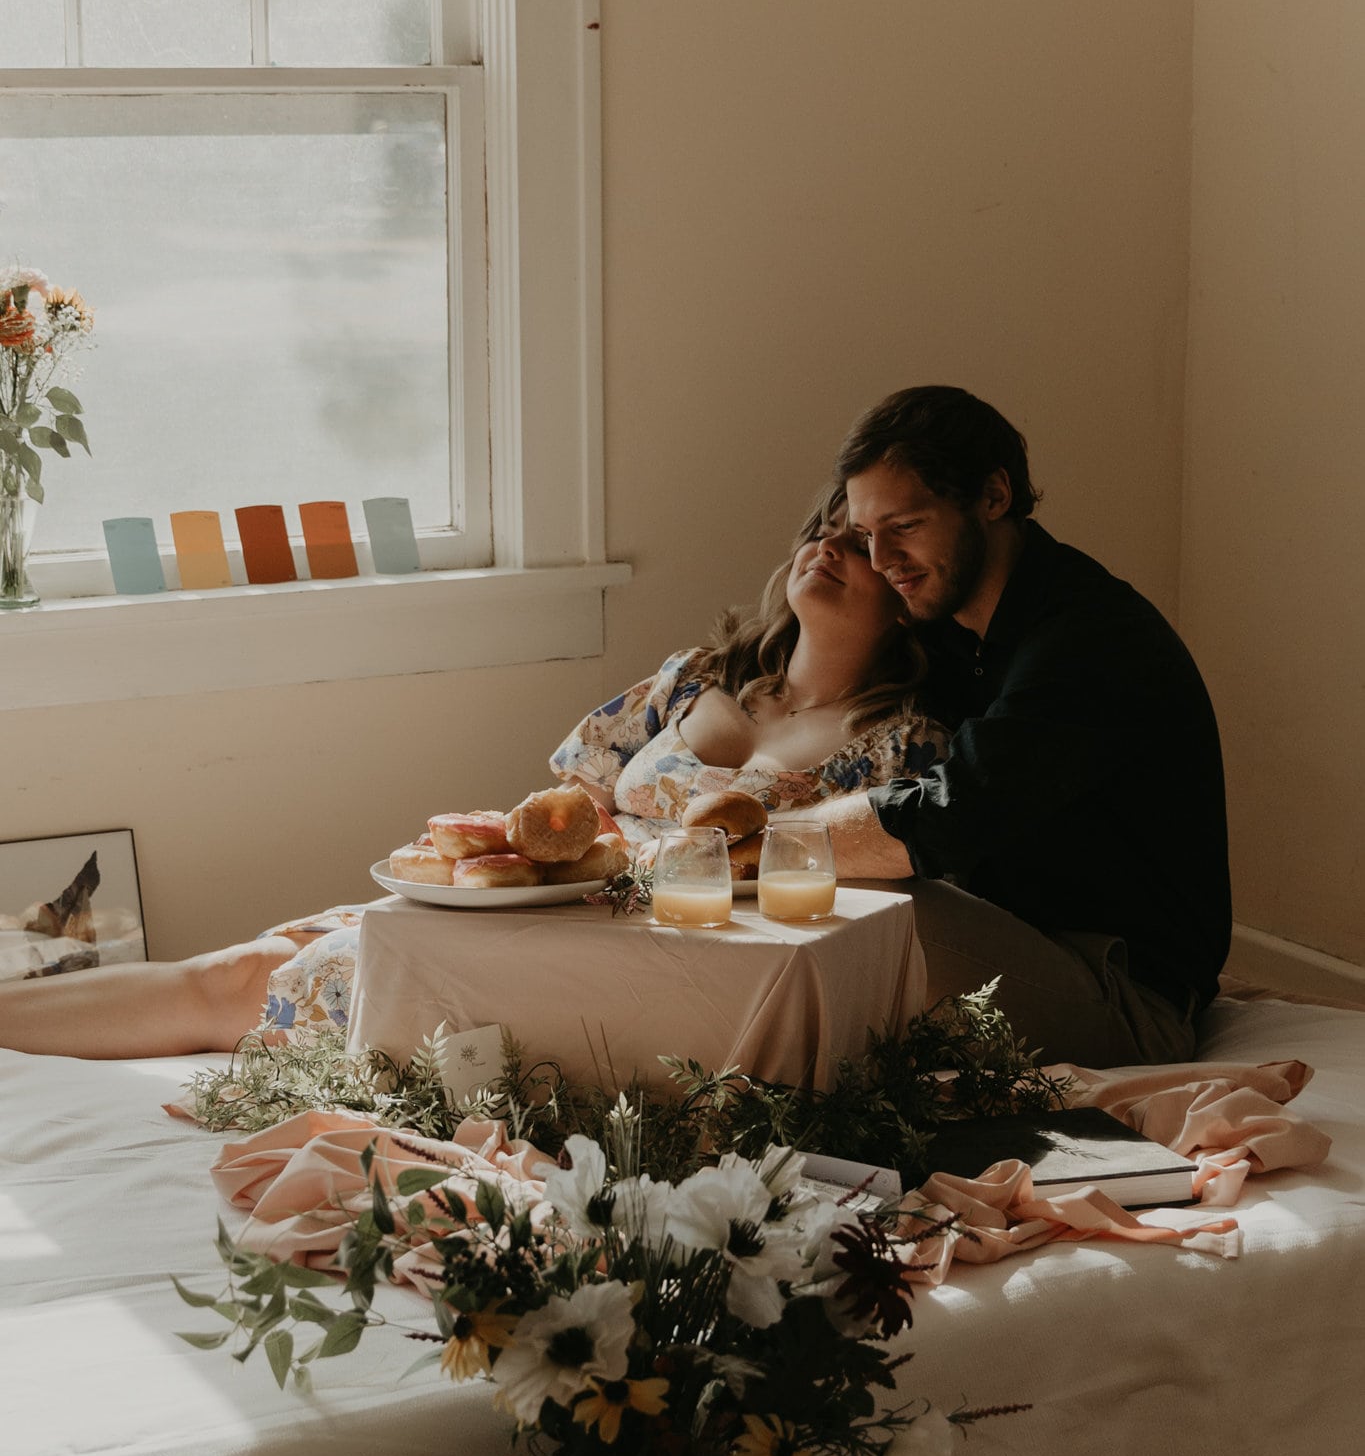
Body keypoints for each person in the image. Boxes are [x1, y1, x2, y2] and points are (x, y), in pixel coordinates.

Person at [0, 503, 948, 1061]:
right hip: (536, 904)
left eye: (863, 545)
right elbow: (570, 807)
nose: (828, 546)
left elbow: (824, 892)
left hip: (658, 959)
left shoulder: (894, 747)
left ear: (907, 592)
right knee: (238, 970)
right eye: (825, 528)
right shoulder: (696, 678)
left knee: (247, 998)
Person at [793, 385, 1232, 1066]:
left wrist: (769, 843)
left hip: (1125, 996)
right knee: (827, 895)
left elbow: (945, 817)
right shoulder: (952, 635)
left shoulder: (1092, 637)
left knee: (865, 899)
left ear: (993, 496)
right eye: (864, 536)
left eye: (903, 527)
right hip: (1016, 946)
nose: (881, 561)